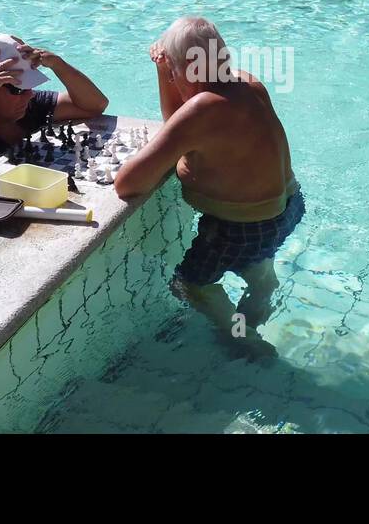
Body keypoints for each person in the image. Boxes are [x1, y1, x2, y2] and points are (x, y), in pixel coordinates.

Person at [114, 18, 301, 347]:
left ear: (186, 67)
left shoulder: (203, 110)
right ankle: (262, 284)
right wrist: (164, 72)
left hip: (241, 226)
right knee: (254, 260)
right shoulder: (247, 83)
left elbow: (127, 184)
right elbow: (183, 124)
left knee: (190, 284)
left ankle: (245, 342)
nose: (171, 77)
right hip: (284, 210)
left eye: (172, 70)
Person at [0, 34, 108, 191]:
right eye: (18, 89)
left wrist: (56, 64)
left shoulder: (29, 104)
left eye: (30, 86)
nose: (29, 95)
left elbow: (94, 105)